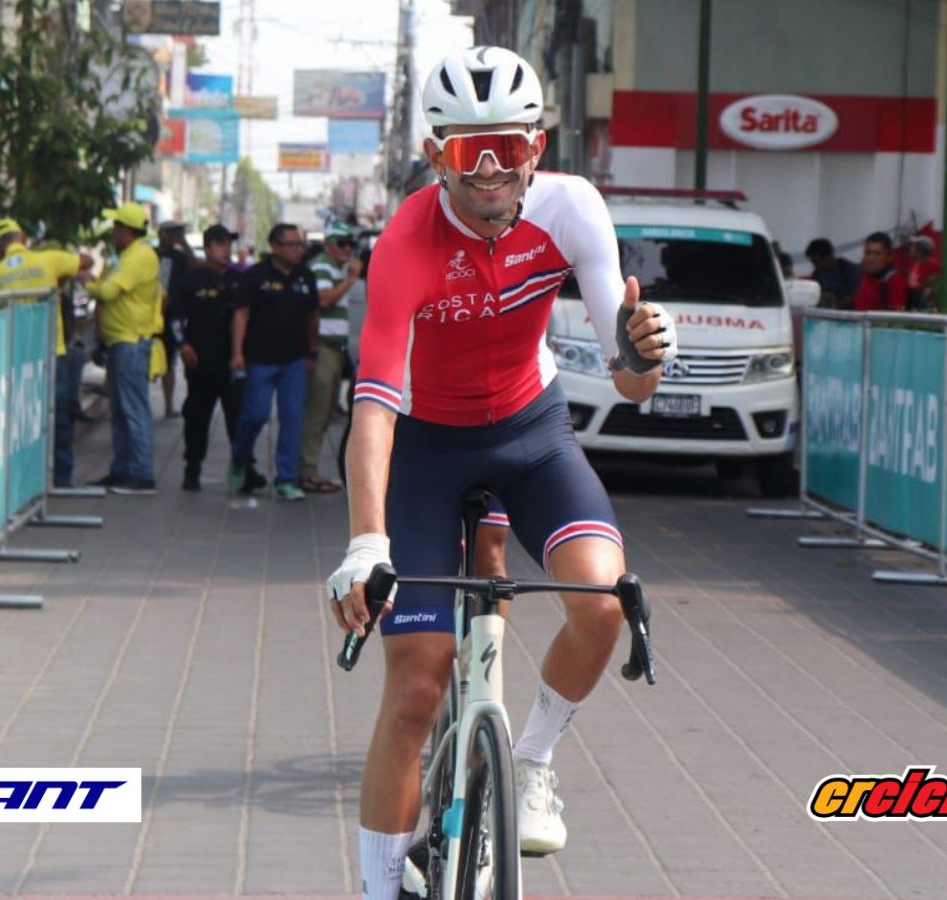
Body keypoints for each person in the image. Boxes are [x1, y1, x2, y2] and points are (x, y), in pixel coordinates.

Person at [325, 46, 677, 900]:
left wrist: (643, 359)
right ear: (435, 154)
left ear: (539, 147)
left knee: (601, 604)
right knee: (416, 682)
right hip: (425, 446)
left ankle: (531, 761)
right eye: (466, 152)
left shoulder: (573, 210)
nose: (488, 173)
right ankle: (378, 890)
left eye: (508, 150)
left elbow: (628, 381)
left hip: (531, 432)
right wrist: (365, 541)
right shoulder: (405, 240)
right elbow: (373, 403)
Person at [0, 218, 96, 487]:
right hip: (50, 352)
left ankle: (23, 481)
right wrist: (60, 276)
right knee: (56, 416)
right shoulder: (48, 260)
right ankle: (59, 479)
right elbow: (86, 261)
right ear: (22, 238)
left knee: (19, 420)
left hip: (14, 356)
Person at [228, 223, 319, 502]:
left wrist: (312, 353)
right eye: (291, 244)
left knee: (292, 419)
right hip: (260, 359)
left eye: (299, 244)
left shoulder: (305, 276)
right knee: (255, 414)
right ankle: (240, 458)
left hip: (294, 361)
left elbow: (313, 318)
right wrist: (237, 353)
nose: (297, 249)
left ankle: (286, 478)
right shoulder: (256, 276)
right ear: (275, 247)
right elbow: (241, 315)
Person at [178, 224, 265, 493]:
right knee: (197, 416)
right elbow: (175, 316)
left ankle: (244, 468)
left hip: (233, 363)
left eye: (228, 244)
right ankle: (192, 469)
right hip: (201, 362)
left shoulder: (239, 280)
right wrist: (183, 344)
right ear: (207, 248)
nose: (226, 250)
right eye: (219, 244)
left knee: (239, 417)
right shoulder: (192, 279)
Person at [86, 202, 162, 495]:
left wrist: (87, 280)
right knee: (120, 410)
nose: (113, 233)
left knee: (133, 409)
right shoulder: (128, 255)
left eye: (116, 228)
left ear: (125, 230)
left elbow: (107, 291)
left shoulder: (140, 256)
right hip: (121, 341)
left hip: (131, 341)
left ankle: (140, 474)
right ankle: (122, 470)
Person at [297, 223, 361, 493]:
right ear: (328, 245)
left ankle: (308, 469)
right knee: (317, 412)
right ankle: (306, 471)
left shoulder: (336, 268)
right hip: (323, 348)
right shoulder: (322, 266)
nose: (347, 248)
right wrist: (350, 281)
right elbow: (323, 301)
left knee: (325, 413)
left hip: (335, 349)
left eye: (350, 243)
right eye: (341, 243)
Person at [157, 221, 193, 418]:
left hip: (175, 315)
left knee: (173, 357)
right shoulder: (153, 255)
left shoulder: (180, 256)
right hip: (155, 315)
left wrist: (184, 244)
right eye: (173, 233)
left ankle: (169, 404)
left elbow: (195, 266)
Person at [852, 231, 908, 312]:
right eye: (868, 253)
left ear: (889, 256)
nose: (871, 259)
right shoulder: (861, 276)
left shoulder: (894, 281)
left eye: (877, 254)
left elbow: (896, 317)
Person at [804, 238, 860, 308]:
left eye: (815, 260)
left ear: (827, 256)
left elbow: (858, 295)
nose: (813, 264)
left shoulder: (847, 270)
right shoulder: (817, 274)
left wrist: (837, 305)